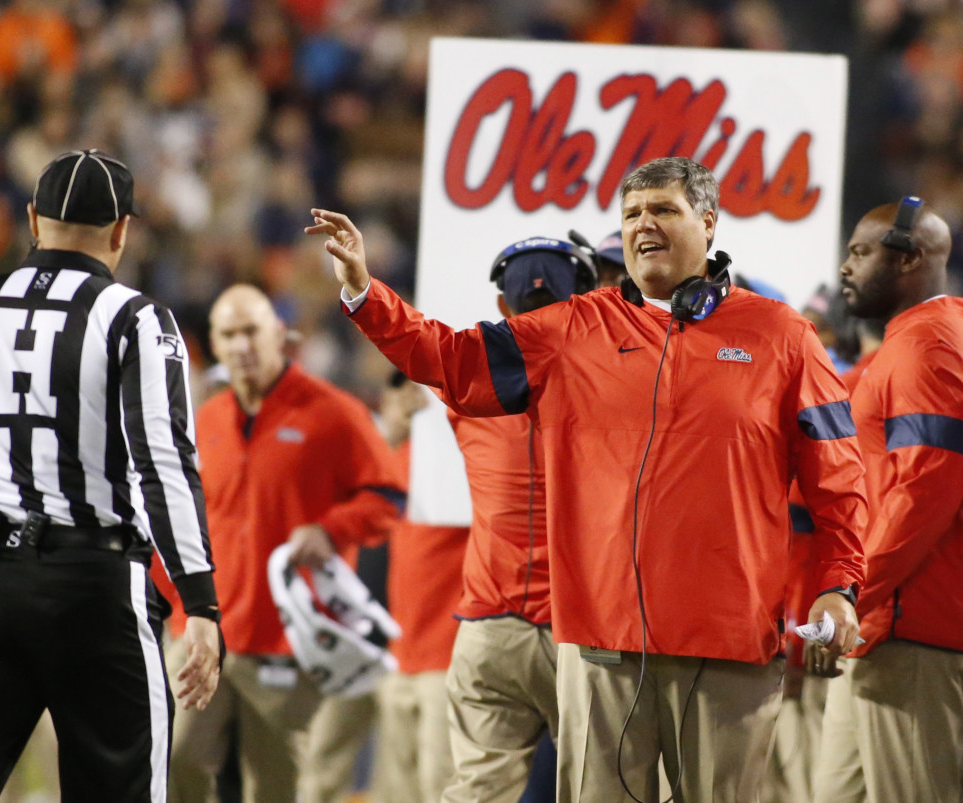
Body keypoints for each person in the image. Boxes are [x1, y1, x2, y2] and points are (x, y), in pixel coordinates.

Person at [306, 156, 868, 803]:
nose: (643, 224)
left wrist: (839, 586)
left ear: (708, 222)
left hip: (730, 644)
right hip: (605, 648)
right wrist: (363, 294)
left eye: (663, 209)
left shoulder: (783, 335)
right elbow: (449, 357)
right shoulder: (572, 330)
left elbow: (839, 478)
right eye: (631, 214)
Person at [0, 149, 222, 802]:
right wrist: (201, 600)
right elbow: (164, 464)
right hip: (91, 585)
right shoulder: (135, 317)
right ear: (123, 230)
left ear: (33, 219)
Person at [167, 283, 404, 803]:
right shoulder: (206, 419)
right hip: (203, 633)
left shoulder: (333, 412)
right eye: (228, 335)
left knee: (277, 787)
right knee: (175, 763)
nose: (241, 346)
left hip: (289, 639)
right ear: (215, 343)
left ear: (280, 334)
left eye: (251, 330)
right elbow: (187, 519)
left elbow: (390, 496)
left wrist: (331, 530)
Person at [812, 199, 963, 803]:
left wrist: (850, 591)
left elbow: (926, 490)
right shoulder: (916, 342)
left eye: (860, 252)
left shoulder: (929, 347)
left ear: (909, 258)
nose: (845, 267)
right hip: (887, 623)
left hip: (914, 623)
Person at [443, 236, 599, 803]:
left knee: (478, 792)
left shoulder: (464, 397)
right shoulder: (615, 386)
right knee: (603, 789)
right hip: (581, 634)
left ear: (503, 307)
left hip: (490, 629)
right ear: (584, 298)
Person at [363, 370, 469, 802]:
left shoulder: (463, 457)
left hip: (448, 658)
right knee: (395, 792)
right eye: (396, 391)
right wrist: (394, 432)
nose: (407, 400)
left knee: (443, 788)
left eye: (413, 388)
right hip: (400, 656)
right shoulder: (400, 456)